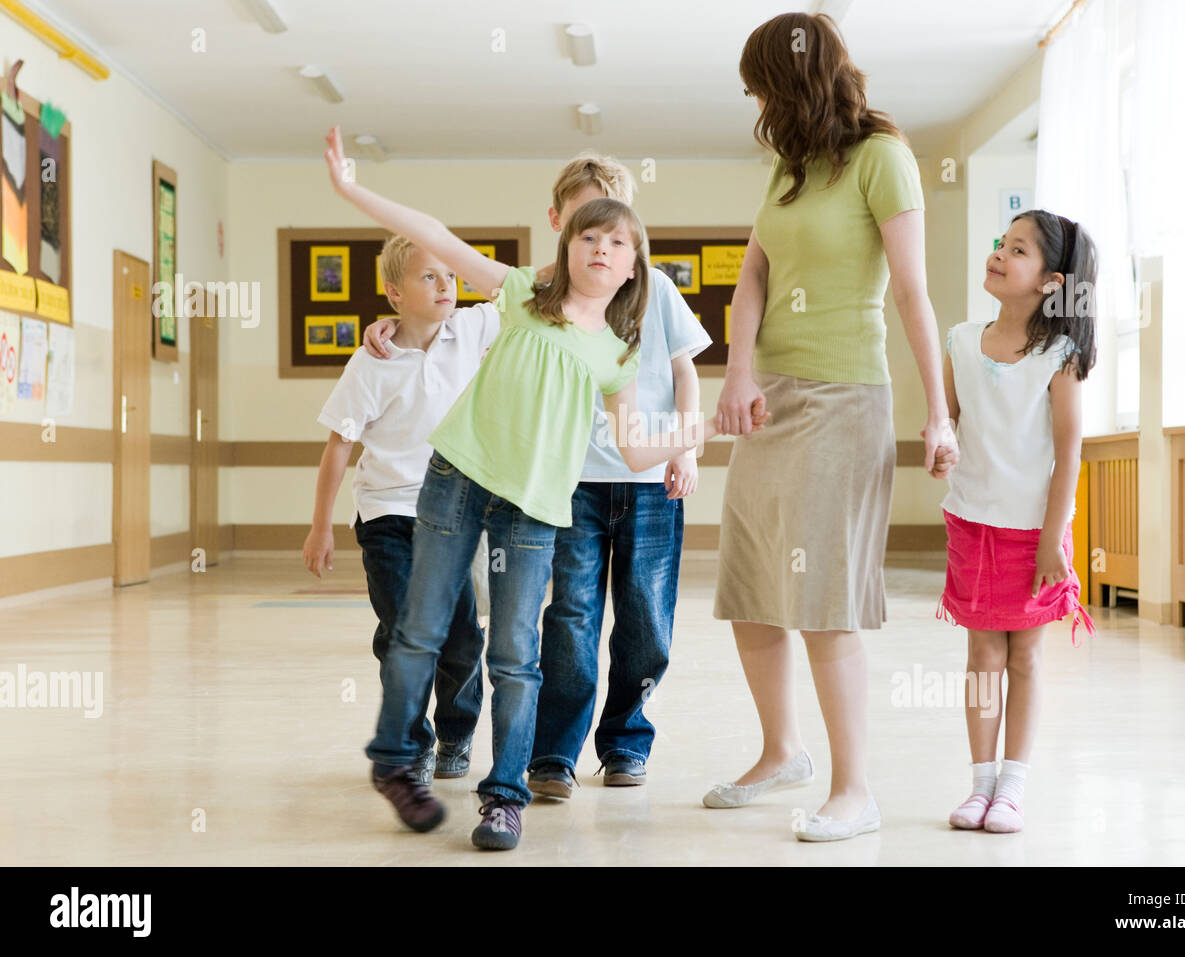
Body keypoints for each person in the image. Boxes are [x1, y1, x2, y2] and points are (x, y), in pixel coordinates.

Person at [322, 126, 762, 850]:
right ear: (562, 238)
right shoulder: (525, 293)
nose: (600, 246)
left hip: (538, 504)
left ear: (633, 264)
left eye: (617, 239)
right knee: (431, 628)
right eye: (588, 232)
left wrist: (700, 431)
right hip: (458, 480)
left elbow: (634, 440)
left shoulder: (617, 351)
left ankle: (508, 792)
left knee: (521, 650)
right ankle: (405, 761)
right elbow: (436, 243)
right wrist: (352, 193)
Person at [708, 12, 958, 843]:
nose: (754, 100)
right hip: (769, 398)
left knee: (823, 597)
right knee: (749, 586)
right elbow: (751, 278)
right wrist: (738, 370)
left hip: (843, 397)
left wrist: (940, 413)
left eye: (760, 84)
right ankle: (783, 751)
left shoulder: (882, 159)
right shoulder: (789, 167)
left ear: (792, 81)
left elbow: (913, 294)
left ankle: (856, 788)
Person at [302, 236, 494, 789]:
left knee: (460, 634)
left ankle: (457, 731)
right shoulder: (371, 361)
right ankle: (414, 742)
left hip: (453, 515)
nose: (445, 286)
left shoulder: (471, 331)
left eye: (450, 276)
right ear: (393, 293)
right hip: (386, 515)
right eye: (428, 277)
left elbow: (530, 289)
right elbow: (339, 444)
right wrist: (321, 527)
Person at [938, 209, 1098, 834]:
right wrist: (941, 446)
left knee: (1026, 654)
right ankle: (979, 784)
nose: (1000, 253)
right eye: (1001, 243)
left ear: (1051, 282)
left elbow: (1068, 452)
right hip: (971, 522)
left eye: (1020, 250)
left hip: (1034, 530)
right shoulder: (959, 340)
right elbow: (948, 423)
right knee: (982, 651)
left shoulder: (1062, 355)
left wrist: (1055, 540)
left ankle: (1013, 787)